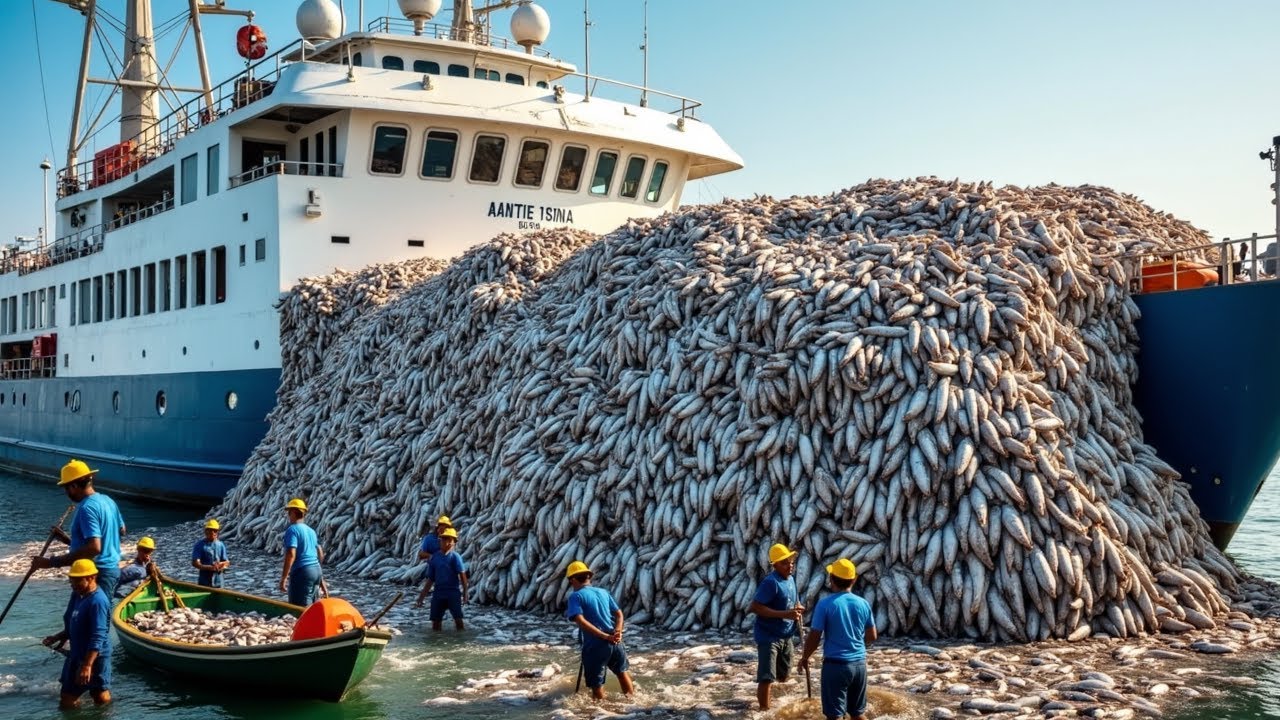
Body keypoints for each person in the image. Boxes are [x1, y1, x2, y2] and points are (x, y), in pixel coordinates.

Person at [31, 459, 127, 601]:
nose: (66, 493)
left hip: (94, 575)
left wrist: (51, 562)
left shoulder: (86, 508)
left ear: (74, 485)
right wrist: (69, 540)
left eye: (66, 488)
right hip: (110, 571)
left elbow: (94, 548)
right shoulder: (108, 501)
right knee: (78, 614)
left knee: (93, 613)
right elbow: (121, 530)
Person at [798, 558, 878, 720]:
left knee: (835, 716)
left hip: (836, 666)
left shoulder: (825, 604)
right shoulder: (863, 603)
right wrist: (856, 645)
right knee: (857, 714)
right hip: (859, 665)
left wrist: (805, 657)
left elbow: (814, 637)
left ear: (831, 579)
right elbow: (872, 636)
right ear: (854, 580)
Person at [42, 559, 112, 709]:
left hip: (93, 657)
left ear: (91, 577)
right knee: (94, 693)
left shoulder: (98, 601)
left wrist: (87, 665)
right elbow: (73, 622)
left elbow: (98, 635)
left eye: (77, 580)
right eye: (71, 580)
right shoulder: (77, 595)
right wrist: (59, 636)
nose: (72, 585)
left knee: (73, 697)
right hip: (77, 653)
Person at [564, 560, 634, 700]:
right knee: (622, 673)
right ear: (588, 577)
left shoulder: (576, 596)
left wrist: (604, 636)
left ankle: (599, 710)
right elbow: (619, 614)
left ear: (572, 580)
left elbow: (580, 621)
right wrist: (618, 632)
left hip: (595, 645)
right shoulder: (603, 592)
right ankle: (632, 703)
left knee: (596, 685)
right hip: (616, 642)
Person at [750, 542, 805, 711]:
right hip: (769, 636)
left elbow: (792, 601)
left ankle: (777, 704)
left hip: (786, 635)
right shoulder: (770, 583)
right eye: (784, 563)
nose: (790, 566)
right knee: (767, 677)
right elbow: (755, 607)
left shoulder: (791, 580)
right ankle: (764, 711)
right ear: (775, 565)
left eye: (791, 562)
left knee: (784, 675)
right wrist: (785, 614)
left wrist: (798, 607)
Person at [416, 528, 468, 630]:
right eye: (444, 539)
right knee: (436, 622)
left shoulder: (455, 557)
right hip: (438, 594)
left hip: (453, 593)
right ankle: (436, 639)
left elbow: (462, 576)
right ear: (440, 541)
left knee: (458, 619)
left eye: (449, 540)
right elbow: (430, 579)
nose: (446, 542)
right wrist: (422, 596)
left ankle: (461, 638)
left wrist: (465, 593)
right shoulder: (435, 558)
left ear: (453, 543)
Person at [279, 498, 327, 606]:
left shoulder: (292, 530)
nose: (288, 515)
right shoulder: (311, 531)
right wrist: (321, 579)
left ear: (293, 512)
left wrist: (284, 578)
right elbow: (320, 553)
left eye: (289, 512)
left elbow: (291, 554)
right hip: (316, 571)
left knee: (299, 608)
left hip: (303, 573)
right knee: (313, 608)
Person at [192, 519, 230, 588]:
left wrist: (221, 565)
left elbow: (226, 562)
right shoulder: (199, 545)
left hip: (219, 582)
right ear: (205, 531)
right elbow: (195, 563)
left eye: (215, 530)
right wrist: (210, 568)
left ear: (217, 532)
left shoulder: (221, 545)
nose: (213, 532)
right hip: (204, 581)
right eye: (210, 530)